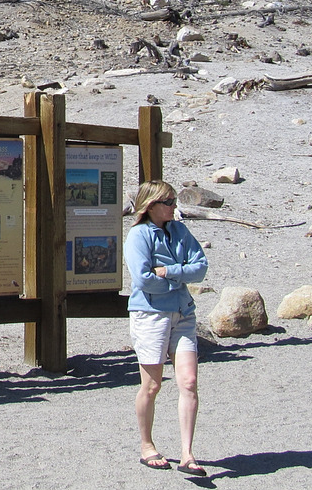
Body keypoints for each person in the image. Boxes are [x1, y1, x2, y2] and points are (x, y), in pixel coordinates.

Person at [124, 179, 209, 477]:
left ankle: (188, 454)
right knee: (152, 385)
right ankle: (147, 445)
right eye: (169, 202)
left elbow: (200, 267)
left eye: (174, 201)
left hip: (183, 314)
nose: (174, 206)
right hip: (150, 316)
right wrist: (179, 279)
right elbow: (144, 279)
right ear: (152, 206)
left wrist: (171, 272)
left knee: (188, 382)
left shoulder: (180, 231)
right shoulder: (138, 236)